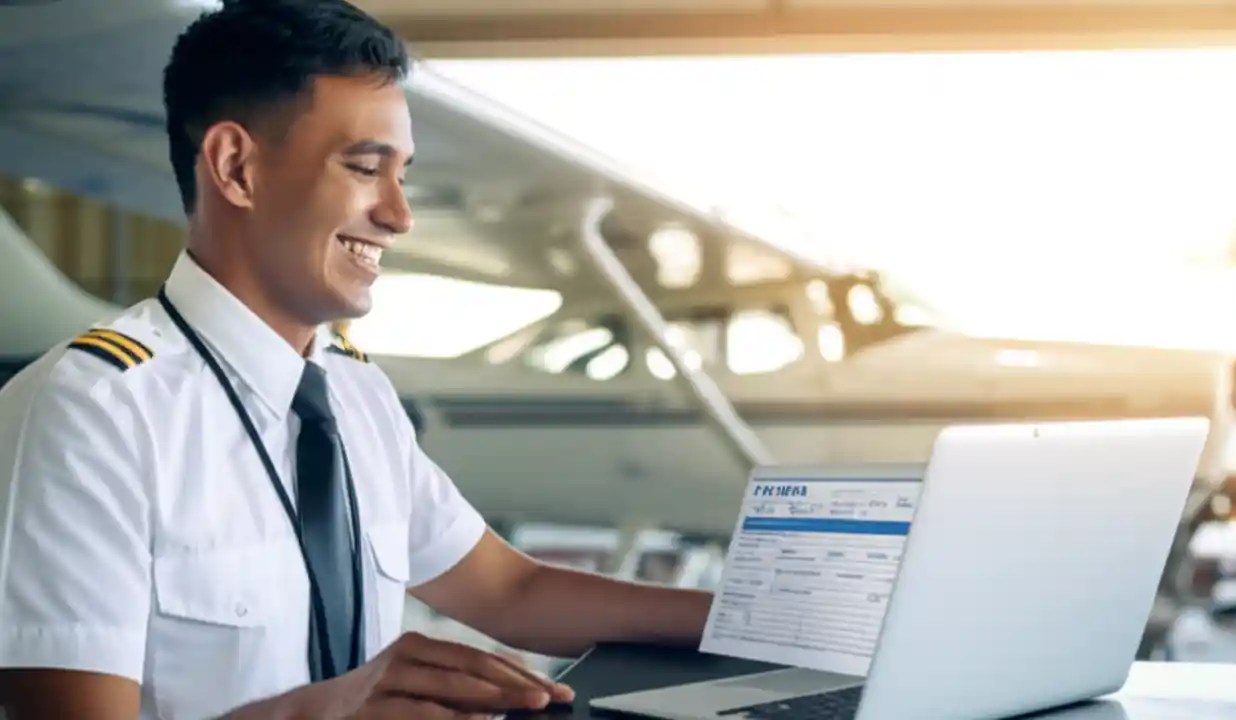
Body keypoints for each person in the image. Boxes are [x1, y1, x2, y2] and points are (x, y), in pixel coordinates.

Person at [0, 1, 712, 718]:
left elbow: (509, 590)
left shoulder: (357, 397)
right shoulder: (92, 413)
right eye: (367, 168)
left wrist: (758, 619)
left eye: (402, 175)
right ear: (235, 167)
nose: (401, 216)